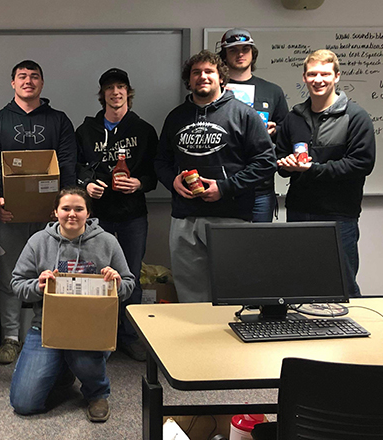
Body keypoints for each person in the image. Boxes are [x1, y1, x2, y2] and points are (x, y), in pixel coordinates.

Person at [154, 50, 276, 303]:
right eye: (196, 72)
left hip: (230, 216)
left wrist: (225, 187)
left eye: (209, 71)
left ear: (222, 78)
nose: (202, 77)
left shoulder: (244, 114)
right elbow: (161, 161)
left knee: (235, 289)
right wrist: (172, 181)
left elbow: (266, 162)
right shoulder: (176, 117)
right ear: (189, 80)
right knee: (191, 292)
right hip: (185, 218)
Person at [9, 187, 134, 423]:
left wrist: (116, 283)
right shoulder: (38, 242)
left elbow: (129, 283)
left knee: (83, 359)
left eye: (79, 209)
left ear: (88, 213)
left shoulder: (107, 242)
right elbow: (16, 283)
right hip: (46, 327)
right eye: (66, 208)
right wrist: (38, 286)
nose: (72, 214)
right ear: (55, 212)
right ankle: (63, 369)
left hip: (91, 327)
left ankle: (97, 393)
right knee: (24, 404)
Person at [0, 60, 77, 365]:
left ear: (42, 83)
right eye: (22, 76)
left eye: (34, 76)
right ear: (12, 83)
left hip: (49, 217)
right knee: (10, 275)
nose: (28, 81)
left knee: (50, 274)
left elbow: (67, 165)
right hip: (8, 215)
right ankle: (10, 338)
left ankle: (44, 332)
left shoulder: (59, 121)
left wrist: (61, 206)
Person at [275, 49, 375, 297]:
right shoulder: (293, 117)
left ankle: (351, 332)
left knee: (342, 283)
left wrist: (314, 169)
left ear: (337, 76)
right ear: (304, 77)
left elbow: (362, 164)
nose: (318, 80)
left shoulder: (356, 116)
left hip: (339, 215)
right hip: (298, 212)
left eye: (324, 74)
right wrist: (285, 163)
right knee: (300, 281)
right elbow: (279, 158)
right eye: (312, 74)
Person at [75, 68, 157, 362]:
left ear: (128, 92)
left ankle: (130, 336)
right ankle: (101, 335)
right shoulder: (86, 131)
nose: (115, 92)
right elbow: (77, 168)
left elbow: (154, 174)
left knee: (130, 276)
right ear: (103, 95)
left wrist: (139, 183)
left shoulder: (144, 130)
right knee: (96, 277)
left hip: (133, 215)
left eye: (121, 86)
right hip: (98, 217)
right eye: (110, 87)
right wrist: (87, 186)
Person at [218, 28, 289, 222]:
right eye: (233, 50)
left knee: (257, 248)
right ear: (224, 55)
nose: (240, 54)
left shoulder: (272, 91)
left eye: (245, 49)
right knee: (225, 249)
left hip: (260, 188)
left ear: (252, 53)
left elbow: (287, 132)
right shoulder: (214, 90)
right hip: (223, 186)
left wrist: (275, 131)